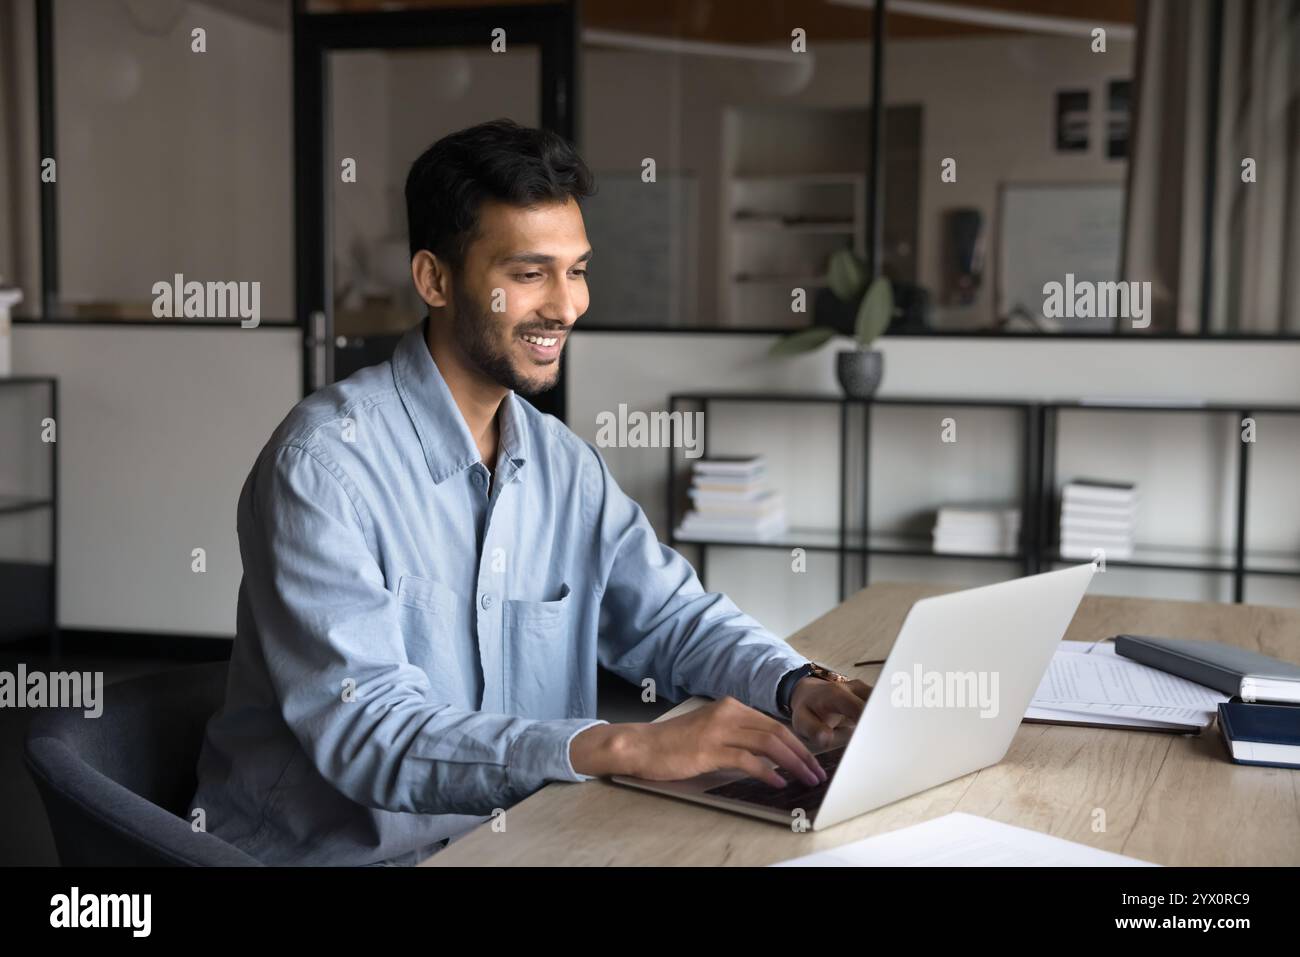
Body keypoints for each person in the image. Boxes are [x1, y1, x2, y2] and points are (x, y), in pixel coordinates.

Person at [189, 118, 871, 866]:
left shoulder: (563, 465)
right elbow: (370, 733)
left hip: (523, 843)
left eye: (576, 270)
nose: (566, 305)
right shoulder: (321, 467)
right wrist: (624, 745)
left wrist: (792, 683)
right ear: (435, 280)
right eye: (528, 273)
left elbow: (673, 617)